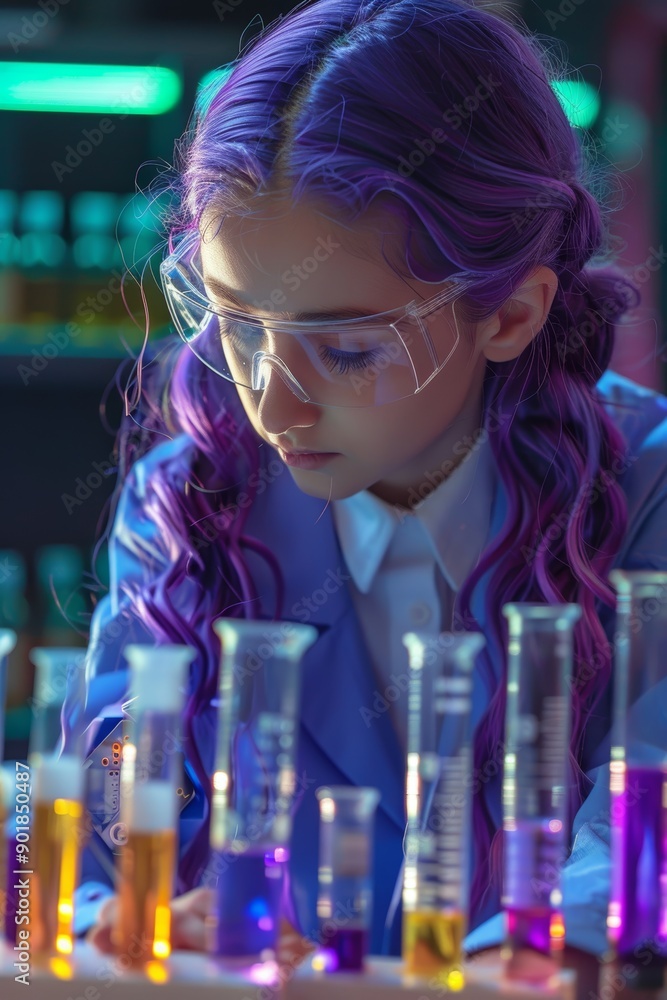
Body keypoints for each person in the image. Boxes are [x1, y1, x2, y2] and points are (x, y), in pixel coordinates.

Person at [65, 0, 667, 970]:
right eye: (237, 325)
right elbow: (95, 819)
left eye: (344, 349)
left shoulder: (645, 492)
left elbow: (648, 828)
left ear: (509, 313)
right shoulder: (188, 504)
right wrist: (125, 909)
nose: (273, 404)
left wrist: (522, 956)